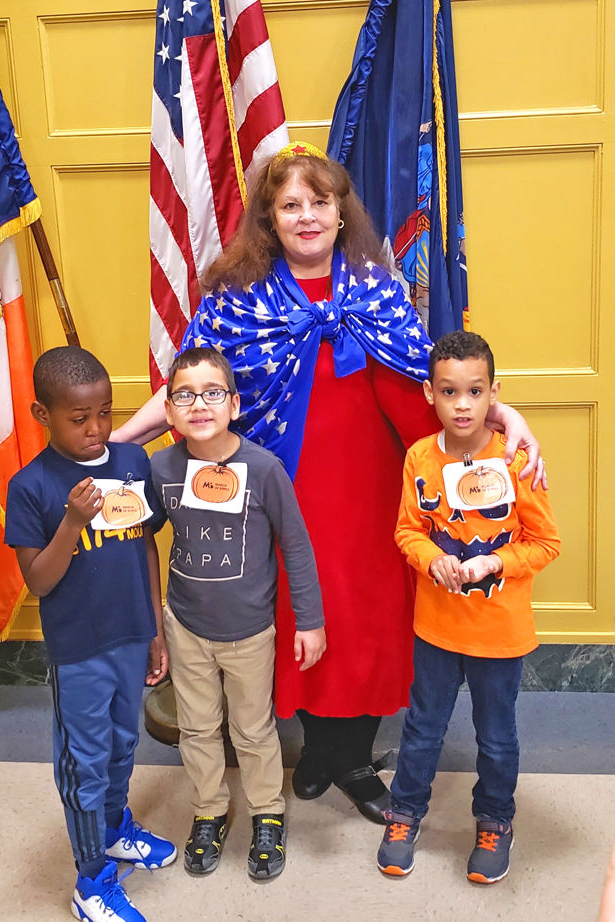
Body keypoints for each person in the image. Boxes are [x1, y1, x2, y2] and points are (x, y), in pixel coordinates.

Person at [112, 141, 545, 823]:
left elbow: (428, 379)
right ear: (269, 217)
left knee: (367, 616)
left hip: (372, 488)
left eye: (320, 202)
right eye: (291, 205)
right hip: (282, 486)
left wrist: (503, 413)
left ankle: (353, 757)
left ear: (342, 213)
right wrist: (116, 442)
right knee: (299, 612)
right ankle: (317, 748)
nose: (307, 216)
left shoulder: (376, 286)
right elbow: (187, 389)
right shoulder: (237, 296)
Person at [376, 331, 560, 884]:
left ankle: (495, 819)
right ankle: (405, 811)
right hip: (436, 628)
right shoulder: (419, 458)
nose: (462, 404)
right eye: (449, 391)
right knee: (422, 729)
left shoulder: (516, 457)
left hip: (499, 632)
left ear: (493, 393)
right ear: (429, 393)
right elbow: (408, 531)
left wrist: (494, 562)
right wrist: (432, 559)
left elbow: (545, 543)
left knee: (496, 736)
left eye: (475, 391)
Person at [4, 346, 177, 922]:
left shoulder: (131, 461)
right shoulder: (31, 485)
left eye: (105, 413)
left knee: (124, 745)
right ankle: (90, 880)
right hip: (80, 650)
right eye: (79, 419)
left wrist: (154, 626)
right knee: (85, 763)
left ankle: (113, 828)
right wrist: (73, 522)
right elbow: (40, 581)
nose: (96, 429)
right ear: (43, 414)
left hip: (132, 635)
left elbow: (145, 547)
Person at [151, 347, 325, 880]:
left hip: (249, 631)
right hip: (186, 626)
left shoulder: (264, 469)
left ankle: (267, 812)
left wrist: (311, 620)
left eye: (212, 393)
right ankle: (209, 810)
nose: (199, 405)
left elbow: (296, 546)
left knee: (252, 730)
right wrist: (151, 623)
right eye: (184, 395)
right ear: (169, 409)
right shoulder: (160, 468)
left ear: (234, 404)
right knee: (197, 729)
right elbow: (136, 536)